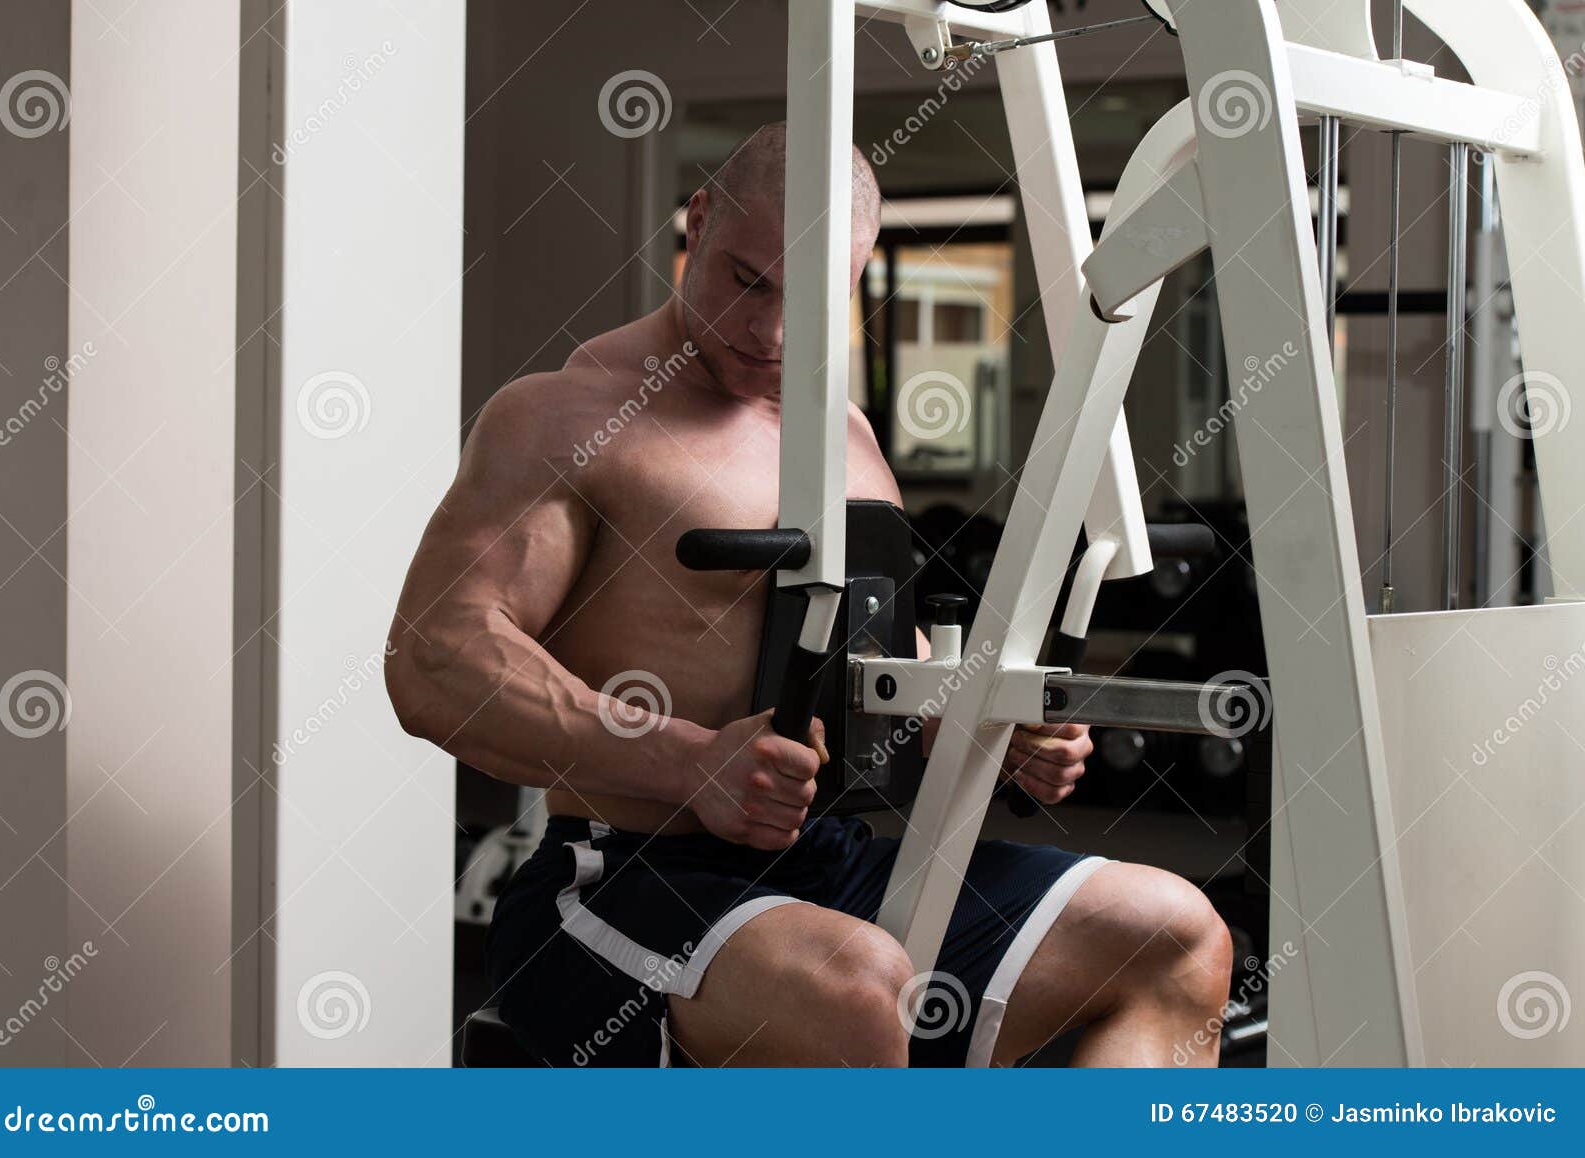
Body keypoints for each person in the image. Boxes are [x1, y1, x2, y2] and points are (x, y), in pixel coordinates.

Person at [385, 123, 1231, 1067]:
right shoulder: (565, 416)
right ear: (699, 220)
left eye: (817, 299)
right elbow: (436, 657)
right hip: (619, 873)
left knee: (1172, 934)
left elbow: (879, 668)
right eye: (749, 281)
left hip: (832, 866)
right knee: (858, 987)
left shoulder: (847, 439)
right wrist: (688, 763)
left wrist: (994, 726)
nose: (774, 331)